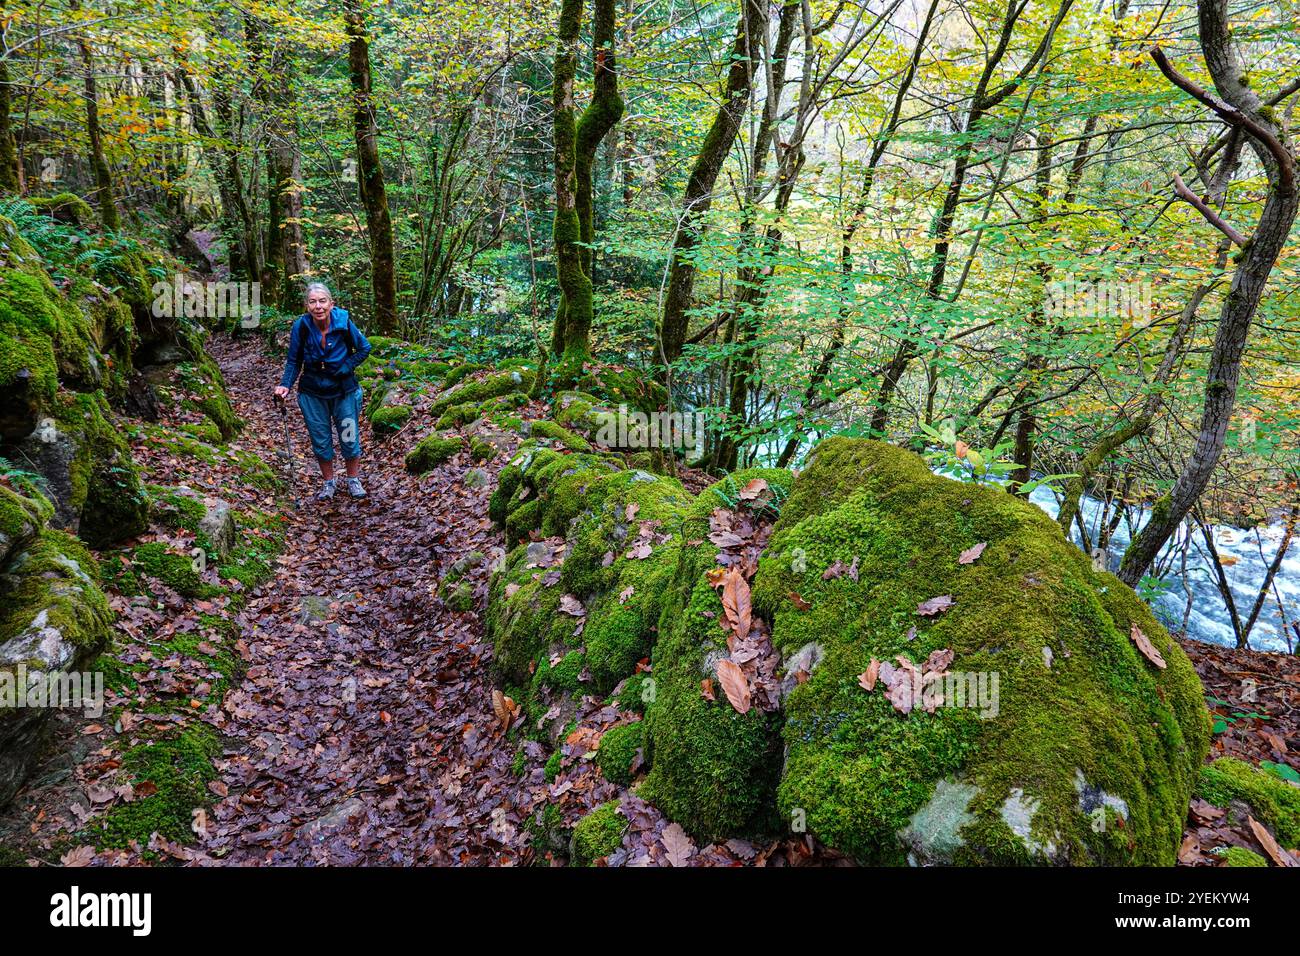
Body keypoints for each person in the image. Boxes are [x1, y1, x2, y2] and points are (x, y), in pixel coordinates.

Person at [273, 282, 373, 500]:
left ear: (331, 303)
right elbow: (294, 361)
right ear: (307, 306)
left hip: (344, 392)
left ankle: (353, 480)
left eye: (322, 301)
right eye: (312, 302)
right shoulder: (301, 326)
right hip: (312, 394)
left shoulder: (344, 322)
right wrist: (285, 385)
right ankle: (329, 483)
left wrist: (346, 366)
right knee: (320, 439)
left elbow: (364, 348)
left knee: (348, 437)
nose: (318, 306)